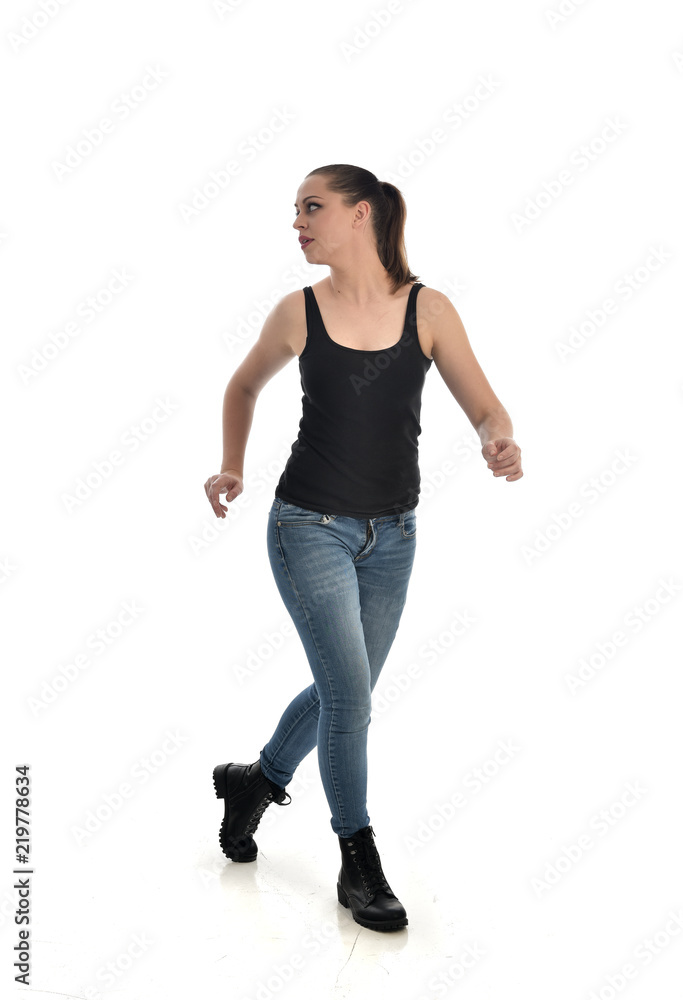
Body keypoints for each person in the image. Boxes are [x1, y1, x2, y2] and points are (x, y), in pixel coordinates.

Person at [204, 163, 523, 933]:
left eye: (311, 207)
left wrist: (497, 439)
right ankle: (358, 859)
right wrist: (231, 466)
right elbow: (242, 386)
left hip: (394, 536)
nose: (297, 222)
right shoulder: (297, 312)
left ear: (361, 214)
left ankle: (255, 781)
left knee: (344, 694)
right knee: (351, 701)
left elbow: (483, 404)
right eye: (295, 210)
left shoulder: (429, 309)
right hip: (306, 527)